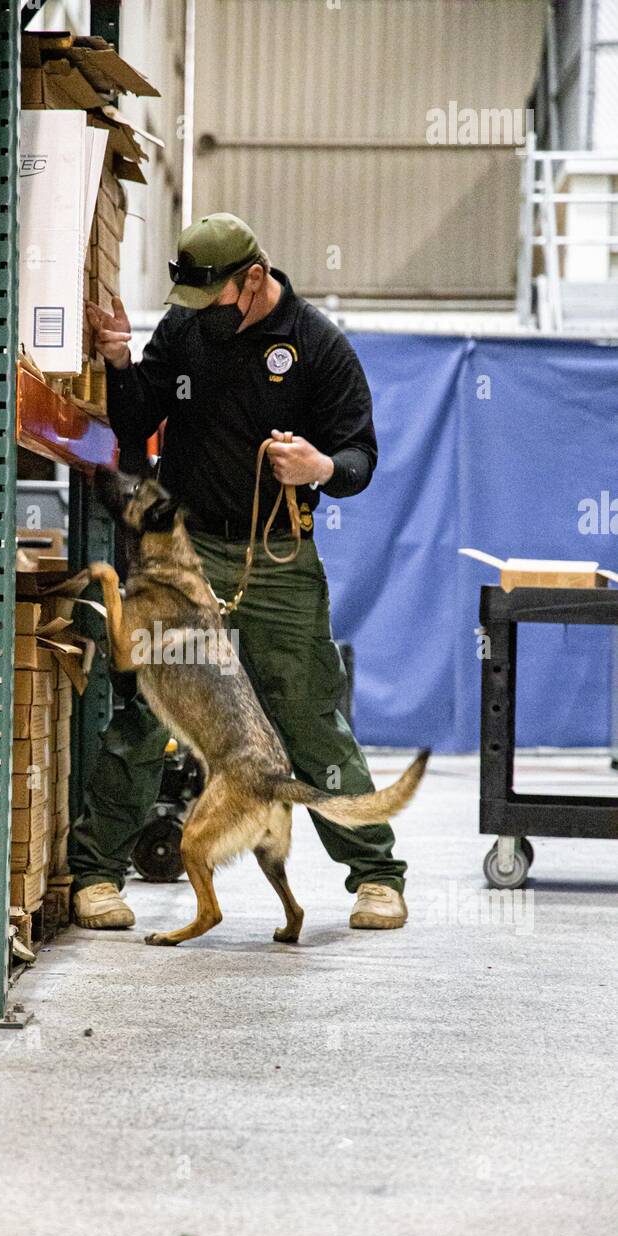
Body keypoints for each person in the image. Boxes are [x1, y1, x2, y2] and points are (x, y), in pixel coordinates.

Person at [72, 212, 408, 932]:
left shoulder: (317, 347)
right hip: (186, 556)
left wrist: (318, 466)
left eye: (213, 300)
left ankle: (376, 877)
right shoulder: (186, 330)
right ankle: (97, 876)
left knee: (309, 718)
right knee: (148, 712)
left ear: (252, 280)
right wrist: (122, 362)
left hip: (279, 559)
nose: (200, 319)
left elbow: (359, 459)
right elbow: (134, 426)